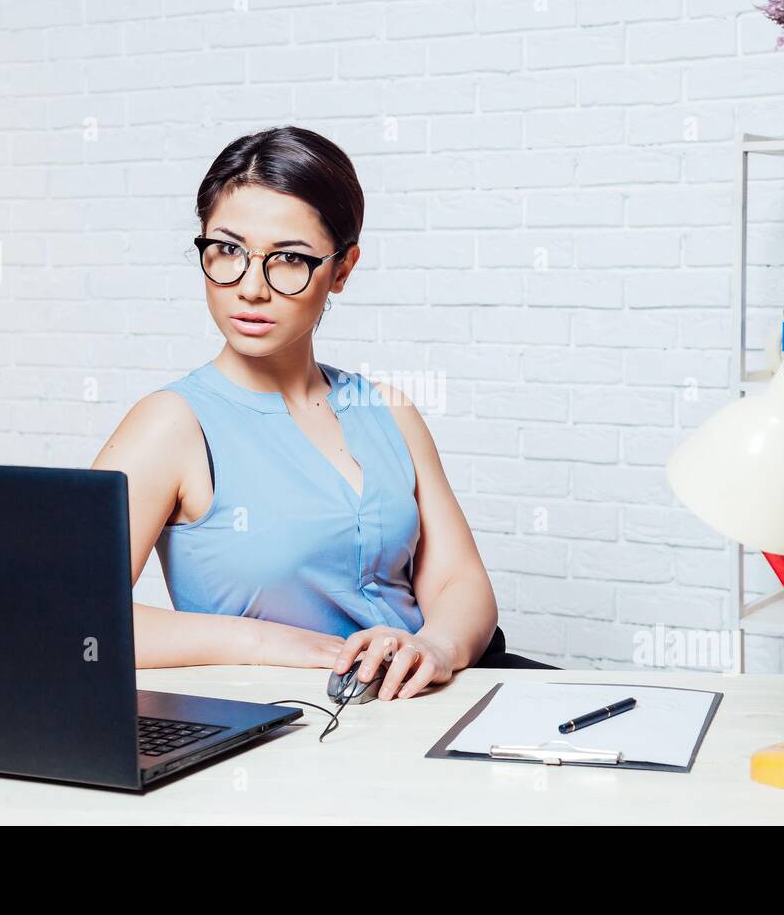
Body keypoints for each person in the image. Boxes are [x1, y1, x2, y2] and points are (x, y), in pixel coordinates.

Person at [94, 126, 554, 701]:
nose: (251, 288)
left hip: (436, 693)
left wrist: (435, 647)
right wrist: (275, 646)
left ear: (342, 268)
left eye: (288, 258)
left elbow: (461, 582)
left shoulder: (387, 409)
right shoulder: (171, 424)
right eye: (228, 251)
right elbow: (68, 614)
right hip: (302, 717)